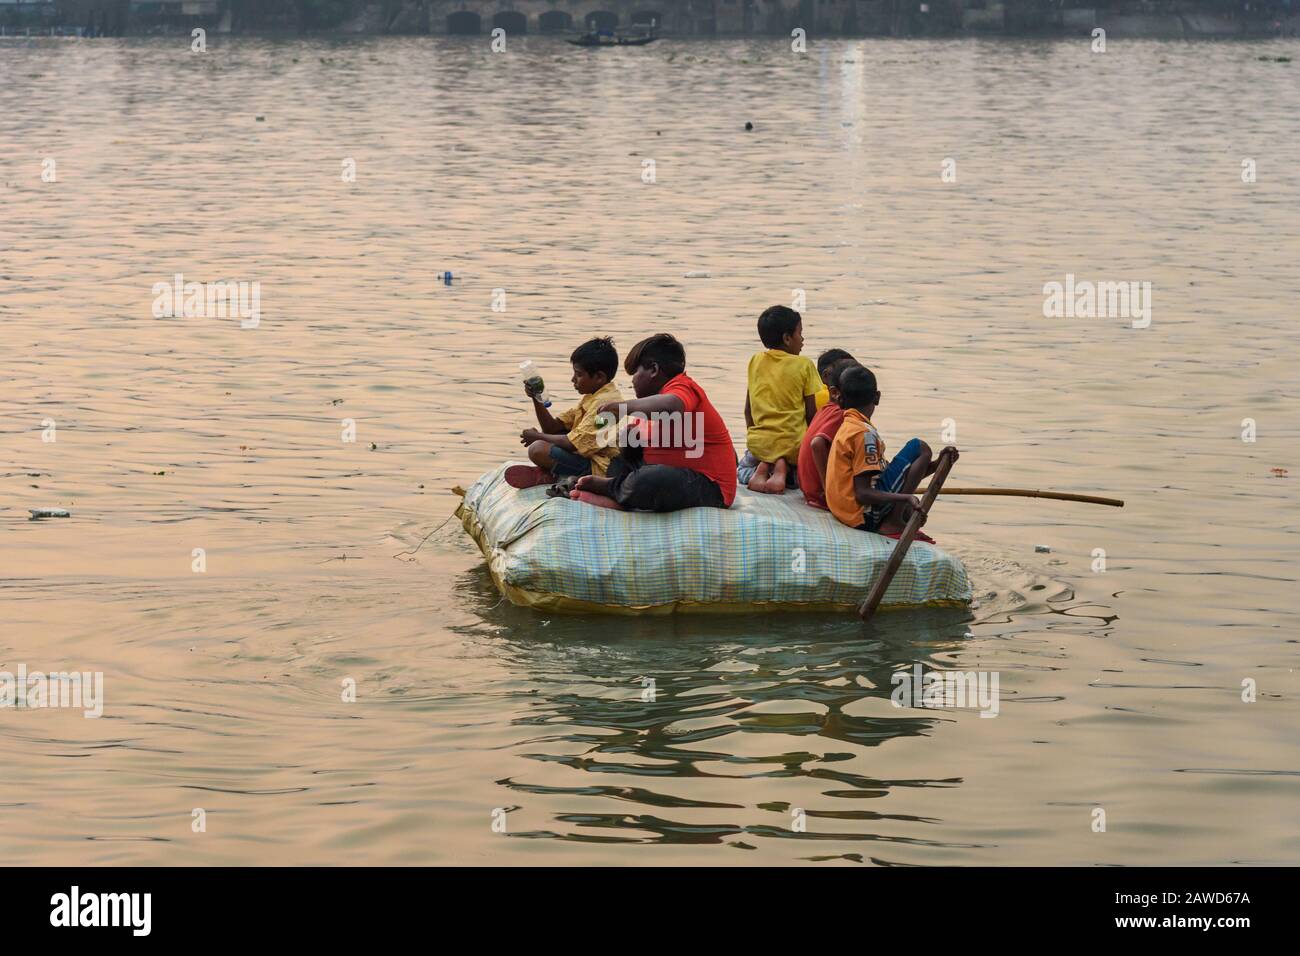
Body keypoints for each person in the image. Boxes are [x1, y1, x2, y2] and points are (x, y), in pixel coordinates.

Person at [569, 333, 737, 511]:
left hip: (711, 488)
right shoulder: (650, 405)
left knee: (651, 478)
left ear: (654, 370)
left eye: (635, 373)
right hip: (668, 475)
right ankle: (619, 493)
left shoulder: (682, 386)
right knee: (622, 453)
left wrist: (621, 408)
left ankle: (613, 490)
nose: (632, 381)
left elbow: (673, 405)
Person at [823, 365, 957, 539]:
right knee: (920, 447)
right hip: (862, 516)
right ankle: (893, 522)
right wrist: (905, 498)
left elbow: (903, 478)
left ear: (841, 399)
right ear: (877, 398)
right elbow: (863, 493)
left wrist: (938, 464)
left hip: (845, 511)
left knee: (909, 507)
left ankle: (897, 516)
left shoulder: (849, 425)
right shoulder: (863, 434)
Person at [506, 336, 622, 489]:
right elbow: (552, 428)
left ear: (599, 377)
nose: (573, 379)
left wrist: (537, 436)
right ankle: (554, 473)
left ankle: (560, 476)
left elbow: (572, 444)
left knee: (537, 448)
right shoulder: (591, 397)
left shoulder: (606, 404)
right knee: (546, 441)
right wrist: (536, 397)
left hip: (601, 468)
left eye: (579, 374)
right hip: (585, 457)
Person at [737, 306, 821, 494]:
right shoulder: (804, 365)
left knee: (742, 470)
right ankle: (784, 470)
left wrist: (758, 437)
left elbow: (748, 411)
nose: (803, 340)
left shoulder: (755, 361)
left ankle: (764, 468)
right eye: (800, 333)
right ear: (787, 338)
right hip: (793, 445)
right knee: (802, 476)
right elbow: (811, 414)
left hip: (759, 444)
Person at [797, 354, 860, 510]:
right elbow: (817, 443)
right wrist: (828, 489)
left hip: (809, 490)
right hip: (820, 495)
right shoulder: (839, 413)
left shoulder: (826, 408)